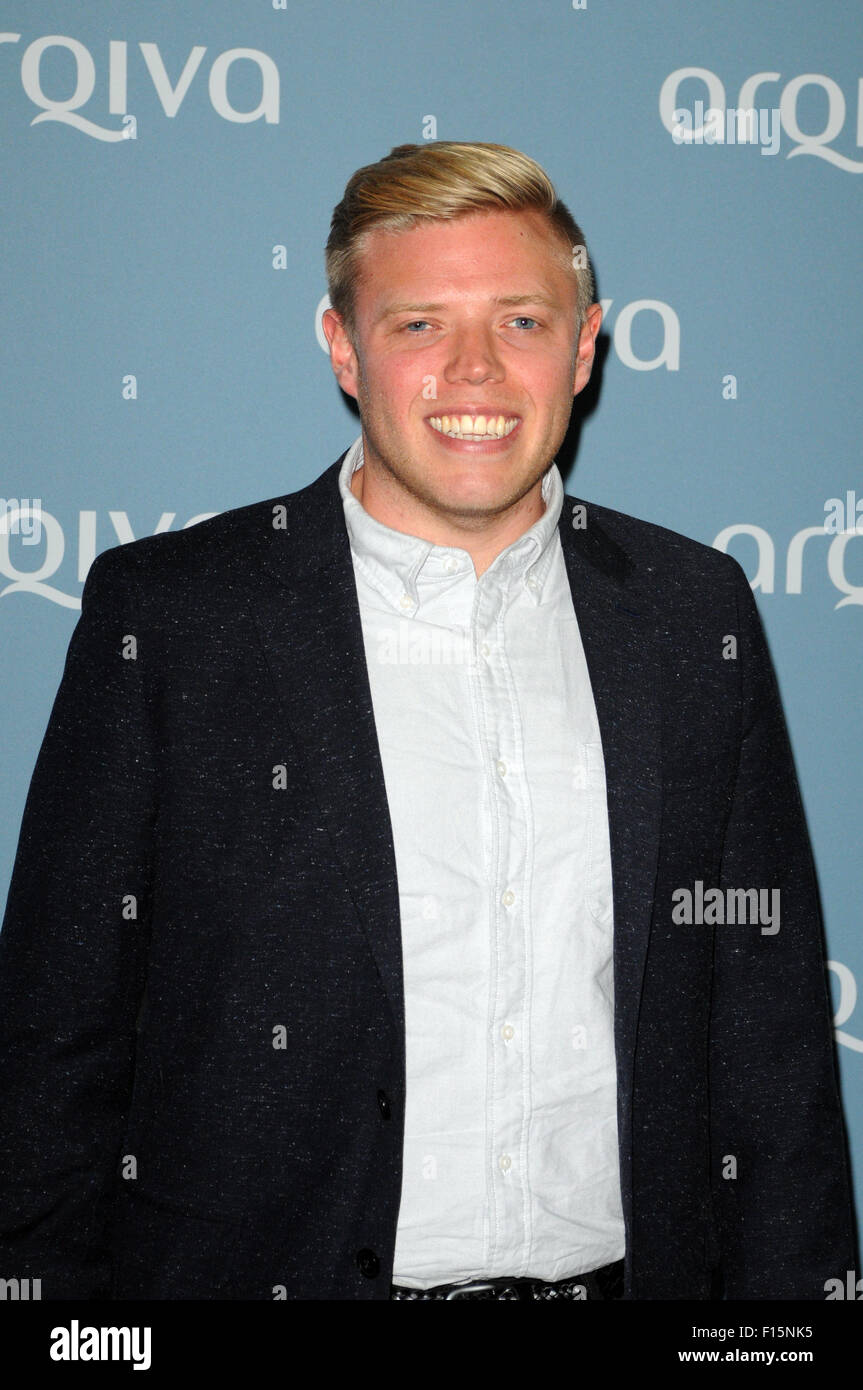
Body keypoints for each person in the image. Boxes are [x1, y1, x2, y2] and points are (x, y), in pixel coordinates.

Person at [0, 141, 854, 1301]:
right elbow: (57, 1043)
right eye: (416, 326)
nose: (473, 373)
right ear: (342, 347)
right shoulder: (175, 616)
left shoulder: (689, 611)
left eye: (518, 321)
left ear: (585, 344)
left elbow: (767, 1039)